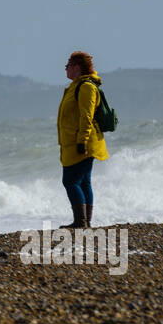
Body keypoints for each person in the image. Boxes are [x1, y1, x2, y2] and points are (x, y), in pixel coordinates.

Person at [57, 51, 108, 229]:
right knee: (83, 181)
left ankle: (81, 222)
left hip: (82, 142)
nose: (65, 69)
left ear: (76, 67)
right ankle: (84, 222)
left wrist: (82, 141)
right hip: (75, 141)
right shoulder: (76, 86)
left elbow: (86, 116)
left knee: (70, 181)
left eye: (67, 66)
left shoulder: (86, 87)